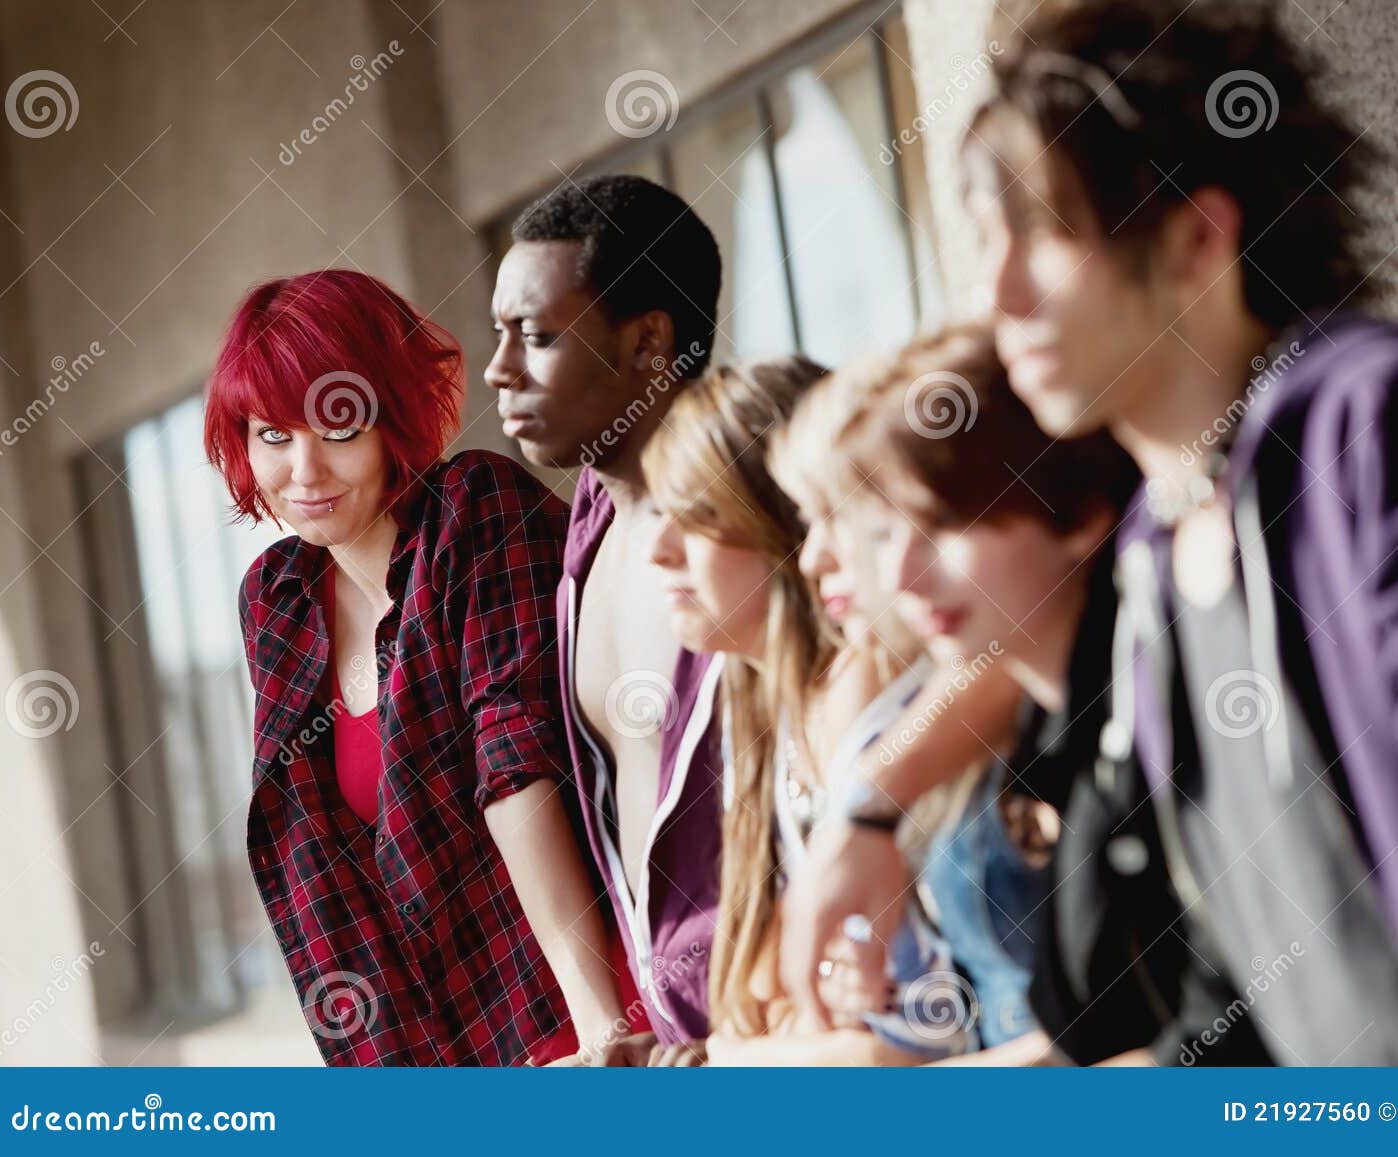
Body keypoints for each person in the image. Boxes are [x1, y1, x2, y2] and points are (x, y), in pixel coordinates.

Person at [966, 0, 1398, 1064]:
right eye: (986, 240)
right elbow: (1244, 990)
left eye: (1045, 234)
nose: (997, 292)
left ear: (1195, 238)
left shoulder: (1378, 416)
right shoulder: (1151, 554)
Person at [206, 269, 626, 1064]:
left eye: (337, 428)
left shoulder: (473, 511)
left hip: (568, 1010)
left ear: (392, 414)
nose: (305, 470)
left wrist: (600, 1025)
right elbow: (322, 873)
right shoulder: (277, 598)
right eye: (274, 435)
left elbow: (517, 766)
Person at [834, 322, 1269, 1066]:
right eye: (886, 533)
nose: (902, 574)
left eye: (944, 523)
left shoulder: (1176, 714)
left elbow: (1227, 1053)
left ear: (1077, 513)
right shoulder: (1056, 734)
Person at [644, 356, 978, 1064]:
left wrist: (726, 1060)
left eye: (695, 517)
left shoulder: (869, 682)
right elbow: (773, 990)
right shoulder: (769, 707)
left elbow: (890, 1048)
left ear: (778, 523)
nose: (659, 550)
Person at [485, 175, 724, 1064]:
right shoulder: (583, 537)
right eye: (500, 333)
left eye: (537, 336)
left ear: (648, 340)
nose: (499, 369)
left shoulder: (755, 529)